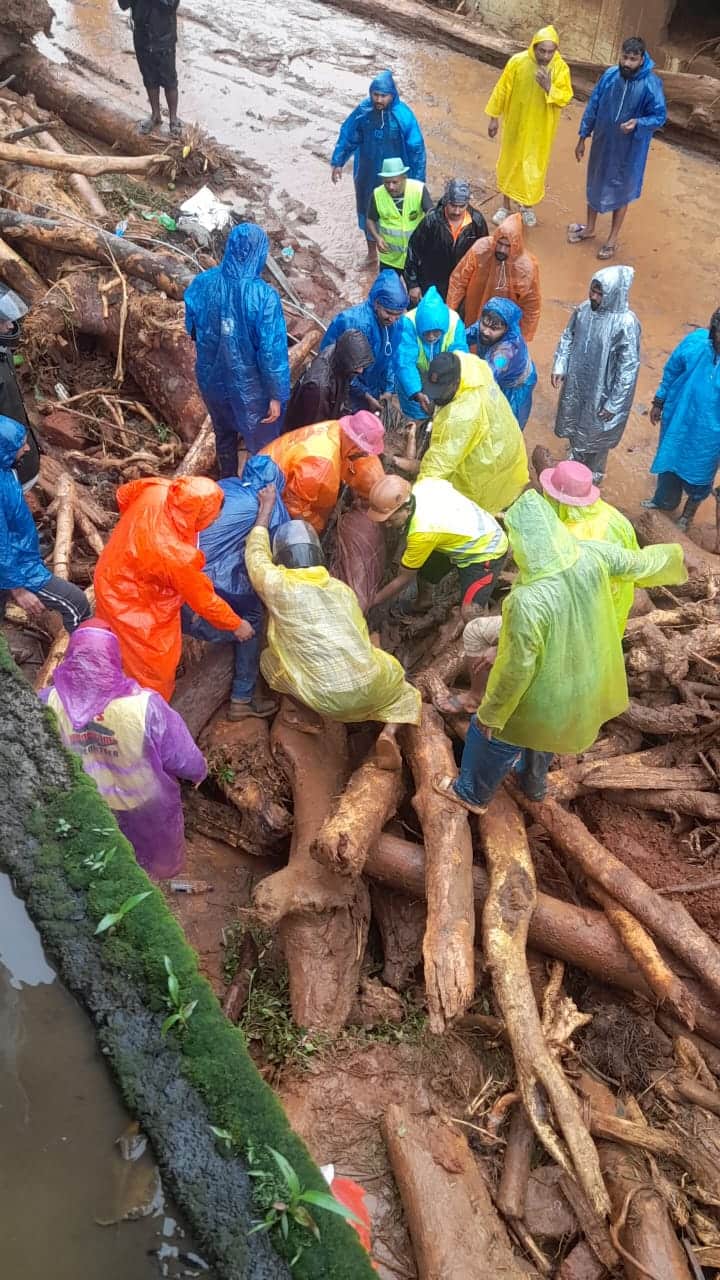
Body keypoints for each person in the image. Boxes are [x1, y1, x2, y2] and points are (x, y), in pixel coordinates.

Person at [434, 490, 686, 813]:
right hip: (587, 671)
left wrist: (490, 714)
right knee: (550, 731)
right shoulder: (593, 554)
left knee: (494, 736)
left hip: (545, 688)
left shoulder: (527, 601)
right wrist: (675, 558)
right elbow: (640, 563)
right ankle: (534, 784)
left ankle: (471, 793)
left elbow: (516, 670)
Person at [245, 485, 421, 770]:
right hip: (371, 682)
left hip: (324, 698)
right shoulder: (341, 590)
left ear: (283, 559)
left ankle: (308, 716)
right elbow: (358, 633)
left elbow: (255, 554)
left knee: (269, 663)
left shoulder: (277, 584)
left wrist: (265, 509)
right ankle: (389, 733)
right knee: (405, 691)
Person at [42, 623, 205, 879]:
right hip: (144, 798)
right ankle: (155, 880)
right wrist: (198, 772)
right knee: (155, 849)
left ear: (72, 656)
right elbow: (181, 755)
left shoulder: (48, 700)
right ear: (114, 658)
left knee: (96, 845)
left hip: (86, 796)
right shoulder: (145, 706)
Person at [94, 475, 251, 703]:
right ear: (198, 516)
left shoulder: (159, 489)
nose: (215, 522)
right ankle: (147, 711)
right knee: (152, 665)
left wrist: (135, 530)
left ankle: (116, 683)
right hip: (130, 601)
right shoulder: (175, 555)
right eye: (212, 518)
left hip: (112, 566)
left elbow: (123, 494)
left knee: (118, 648)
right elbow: (204, 600)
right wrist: (236, 625)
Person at [182, 456, 289, 720]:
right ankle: (243, 697)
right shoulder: (274, 508)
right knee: (251, 622)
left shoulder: (227, 485)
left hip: (180, 578)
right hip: (206, 591)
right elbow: (274, 556)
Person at [184, 223, 290, 477]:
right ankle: (258, 493)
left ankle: (228, 480)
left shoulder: (202, 283)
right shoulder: (264, 296)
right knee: (262, 441)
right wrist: (277, 395)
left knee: (224, 433)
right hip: (252, 388)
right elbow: (271, 353)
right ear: (260, 255)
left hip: (212, 379)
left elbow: (192, 329)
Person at [394, 352, 528, 517]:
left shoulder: (461, 416)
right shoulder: (468, 365)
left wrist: (413, 502)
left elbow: (438, 466)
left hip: (488, 468)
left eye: (440, 391)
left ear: (456, 383)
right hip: (503, 443)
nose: (433, 397)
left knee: (472, 508)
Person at [570, 37, 666, 261]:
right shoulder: (610, 75)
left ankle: (612, 239)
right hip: (603, 143)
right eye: (625, 57)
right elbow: (593, 104)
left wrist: (638, 123)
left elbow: (659, 116)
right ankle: (590, 228)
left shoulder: (651, 84)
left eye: (633, 59)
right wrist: (583, 135)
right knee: (594, 181)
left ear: (642, 59)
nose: (627, 63)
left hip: (630, 150)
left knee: (621, 191)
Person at [367, 475, 508, 621]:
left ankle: (490, 629)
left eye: (390, 520)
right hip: (467, 530)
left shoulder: (421, 533)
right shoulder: (424, 485)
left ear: (407, 509)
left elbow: (404, 578)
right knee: (419, 565)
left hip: (487, 551)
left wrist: (372, 601)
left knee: (470, 613)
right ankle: (423, 603)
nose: (387, 525)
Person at [0, 415, 90, 633]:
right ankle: (82, 663)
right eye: (20, 445)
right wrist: (19, 589)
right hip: (18, 568)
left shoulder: (6, 470)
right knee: (77, 605)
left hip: (18, 558)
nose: (28, 449)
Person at [552, 266, 640, 484]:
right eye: (593, 290)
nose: (594, 296)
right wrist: (560, 365)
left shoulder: (626, 324)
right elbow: (568, 337)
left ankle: (592, 480)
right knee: (574, 426)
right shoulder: (583, 311)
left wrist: (614, 403)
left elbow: (628, 369)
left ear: (613, 294)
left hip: (603, 392)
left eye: (600, 293)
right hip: (577, 384)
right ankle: (572, 468)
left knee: (597, 438)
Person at [485, 26, 573, 228]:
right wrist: (493, 117)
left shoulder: (560, 69)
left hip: (540, 131)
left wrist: (549, 87)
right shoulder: (518, 62)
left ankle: (527, 206)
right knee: (510, 163)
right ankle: (505, 205)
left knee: (533, 169)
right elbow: (502, 89)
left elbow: (565, 97)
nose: (545, 55)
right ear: (534, 46)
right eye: (542, 50)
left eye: (550, 51)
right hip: (515, 125)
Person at [539, 459, 641, 633]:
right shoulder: (615, 517)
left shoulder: (565, 538)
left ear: (559, 499)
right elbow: (636, 565)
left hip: (587, 611)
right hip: (618, 600)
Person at [642, 310, 720, 534]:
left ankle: (687, 515)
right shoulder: (695, 342)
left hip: (710, 434)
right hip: (679, 416)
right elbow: (671, 370)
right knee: (669, 460)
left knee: (700, 475)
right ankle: (663, 502)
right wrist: (659, 400)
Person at [330, 70, 426, 251]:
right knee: (368, 209)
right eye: (376, 95)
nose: (379, 100)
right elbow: (349, 135)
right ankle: (371, 253)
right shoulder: (363, 111)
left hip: (395, 176)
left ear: (392, 95)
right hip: (367, 172)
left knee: (396, 212)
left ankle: (398, 253)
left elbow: (417, 151)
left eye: (384, 95)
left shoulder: (403, 116)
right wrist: (338, 162)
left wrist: (418, 183)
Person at [261, 411, 385, 534]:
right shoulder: (321, 465)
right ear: (356, 446)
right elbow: (294, 506)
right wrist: (317, 527)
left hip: (272, 461)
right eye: (364, 451)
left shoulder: (336, 428)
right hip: (266, 487)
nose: (365, 455)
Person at [321, 270, 409, 413]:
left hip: (373, 386)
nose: (392, 319)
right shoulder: (351, 322)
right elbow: (336, 365)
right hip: (347, 389)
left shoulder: (397, 324)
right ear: (376, 303)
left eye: (397, 315)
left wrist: (388, 388)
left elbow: (393, 357)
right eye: (388, 313)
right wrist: (364, 394)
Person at [447, 213, 541, 340]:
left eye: (507, 246)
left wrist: (522, 337)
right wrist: (450, 311)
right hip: (474, 314)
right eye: (499, 243)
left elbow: (531, 306)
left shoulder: (526, 267)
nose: (502, 249)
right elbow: (459, 280)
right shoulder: (481, 249)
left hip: (504, 325)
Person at [405, 179, 488, 304]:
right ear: (445, 201)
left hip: (462, 284)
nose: (457, 211)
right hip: (431, 283)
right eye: (453, 205)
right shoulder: (431, 221)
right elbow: (413, 251)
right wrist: (412, 284)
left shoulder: (477, 221)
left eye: (461, 206)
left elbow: (484, 255)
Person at [395, 286, 468, 422]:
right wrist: (416, 392)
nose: (431, 337)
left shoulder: (454, 323)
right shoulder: (408, 323)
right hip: (415, 374)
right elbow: (404, 362)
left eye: (436, 332)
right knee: (415, 414)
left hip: (442, 377)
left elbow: (460, 357)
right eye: (426, 333)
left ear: (444, 327)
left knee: (444, 414)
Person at [467, 296, 537, 430]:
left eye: (494, 329)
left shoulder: (506, 352)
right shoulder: (489, 324)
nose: (486, 331)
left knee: (508, 427)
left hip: (516, 387)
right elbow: (465, 335)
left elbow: (486, 375)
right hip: (497, 374)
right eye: (484, 324)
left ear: (506, 329)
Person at [284, 329, 373, 433]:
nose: (360, 370)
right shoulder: (319, 389)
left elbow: (343, 389)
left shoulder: (337, 352)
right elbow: (314, 430)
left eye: (361, 365)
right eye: (357, 366)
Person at [117, 0, 181, 137]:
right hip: (142, 36)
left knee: (170, 80)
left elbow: (170, 6)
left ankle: (173, 119)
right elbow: (123, 5)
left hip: (164, 37)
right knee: (149, 78)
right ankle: (155, 115)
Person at [0, 286, 40, 493]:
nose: (9, 327)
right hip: (8, 470)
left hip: (21, 457)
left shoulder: (3, 352)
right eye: (2, 321)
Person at [365, 158, 433, 272]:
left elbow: (432, 215)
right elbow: (370, 219)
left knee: (416, 289)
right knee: (387, 289)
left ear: (404, 178)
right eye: (387, 182)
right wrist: (377, 238)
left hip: (415, 256)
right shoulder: (377, 194)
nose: (391, 187)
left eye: (395, 182)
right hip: (389, 258)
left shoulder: (419, 190)